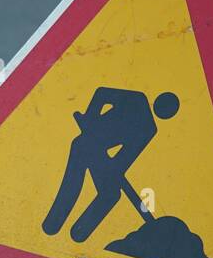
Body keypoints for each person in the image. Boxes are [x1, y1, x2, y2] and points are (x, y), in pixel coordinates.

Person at [42, 87, 180, 243]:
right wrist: (91, 117)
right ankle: (53, 223)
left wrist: (113, 170)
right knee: (73, 181)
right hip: (84, 143)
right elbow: (101, 94)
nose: (164, 110)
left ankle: (79, 233)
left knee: (110, 194)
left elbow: (126, 157)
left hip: (99, 154)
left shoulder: (149, 129)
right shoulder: (137, 100)